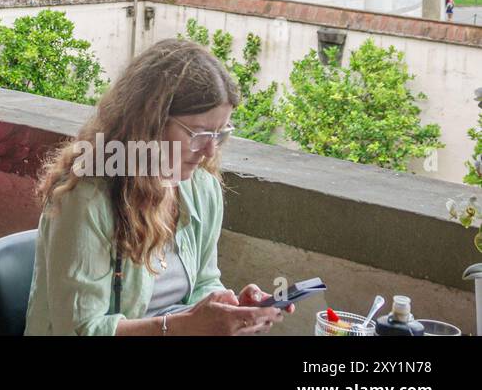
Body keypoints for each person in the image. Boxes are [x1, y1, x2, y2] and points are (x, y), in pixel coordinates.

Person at [24, 38, 291, 336]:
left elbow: (204, 282)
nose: (210, 152)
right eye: (200, 133)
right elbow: (79, 330)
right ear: (149, 123)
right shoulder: (86, 198)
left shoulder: (201, 188)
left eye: (220, 134)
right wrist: (185, 326)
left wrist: (227, 309)